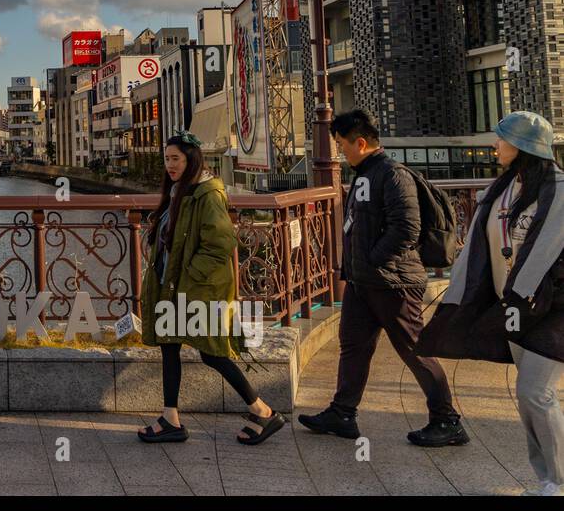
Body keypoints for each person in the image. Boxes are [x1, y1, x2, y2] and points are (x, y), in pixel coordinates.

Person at [299, 110, 467, 446]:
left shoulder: (393, 175)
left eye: (342, 145)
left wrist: (374, 259)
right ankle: (342, 413)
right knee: (353, 346)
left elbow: (406, 227)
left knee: (414, 349)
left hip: (393, 282)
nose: (339, 152)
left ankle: (447, 420)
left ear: (361, 143)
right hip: (363, 282)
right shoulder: (366, 175)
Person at [418, 111, 564, 495]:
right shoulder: (503, 189)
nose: (495, 145)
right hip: (514, 307)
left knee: (536, 392)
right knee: (528, 398)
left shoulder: (559, 191)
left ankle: (558, 482)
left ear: (522, 145)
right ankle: (547, 479)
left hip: (551, 310)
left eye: (502, 138)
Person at [137, 132, 286, 445]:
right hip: (173, 285)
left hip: (197, 289)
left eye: (176, 159)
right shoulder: (180, 190)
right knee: (169, 346)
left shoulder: (207, 194)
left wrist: (190, 275)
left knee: (212, 352)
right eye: (167, 159)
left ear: (191, 159)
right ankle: (170, 418)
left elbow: (220, 244)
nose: (170, 165)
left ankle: (262, 411)